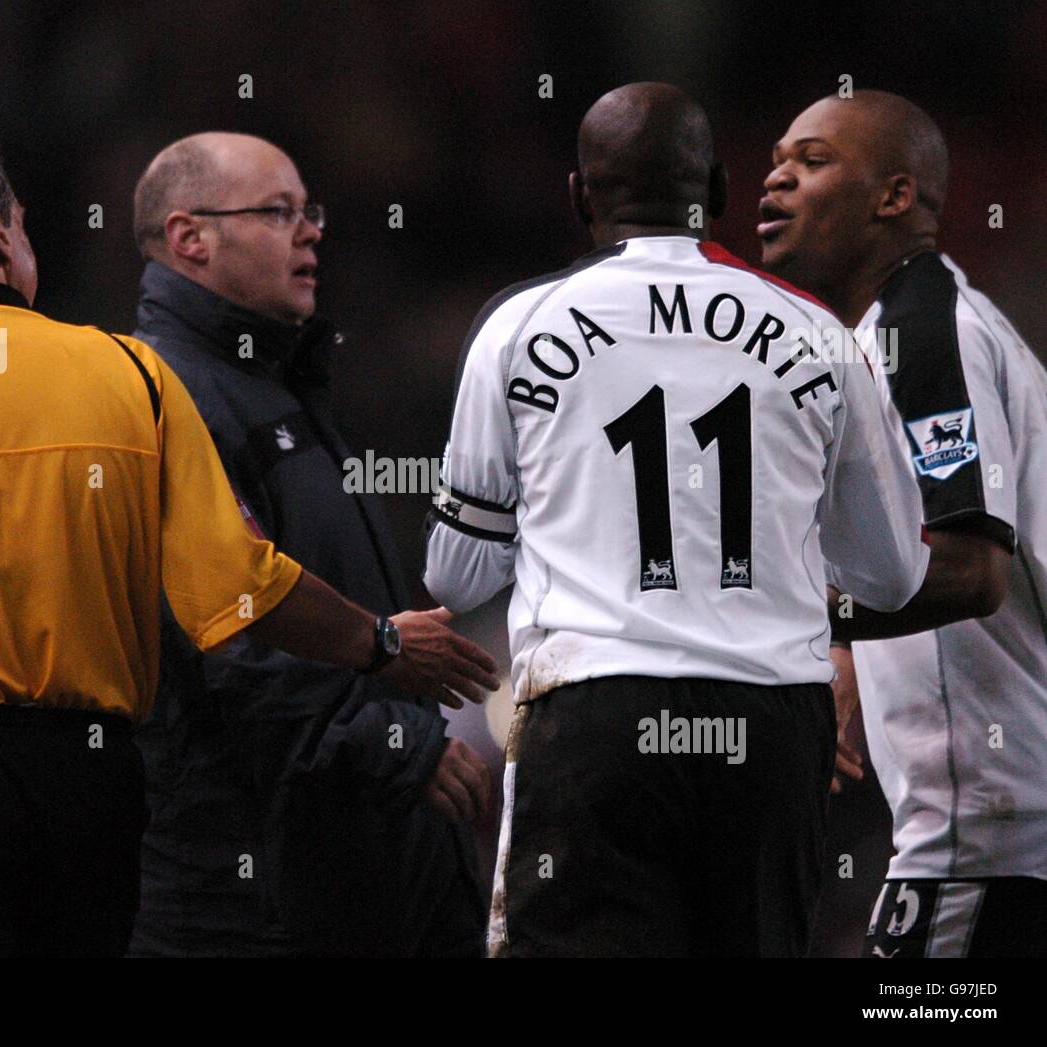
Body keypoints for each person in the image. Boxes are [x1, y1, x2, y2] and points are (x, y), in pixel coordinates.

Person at [0, 122, 497, 956]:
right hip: (81, 780)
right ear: (0, 232)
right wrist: (380, 640)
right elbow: (238, 590)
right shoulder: (129, 378)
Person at [423, 83, 930, 957]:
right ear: (721, 190)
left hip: (592, 719)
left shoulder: (515, 327)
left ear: (580, 194)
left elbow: (456, 576)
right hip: (770, 727)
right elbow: (892, 575)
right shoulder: (822, 334)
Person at [126, 133, 491, 957]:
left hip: (344, 849)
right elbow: (220, 631)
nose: (310, 231)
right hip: (252, 873)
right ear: (191, 238)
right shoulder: (161, 395)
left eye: (310, 211)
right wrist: (392, 746)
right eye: (278, 211)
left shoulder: (276, 382)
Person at [762, 90, 1047, 957]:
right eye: (777, 158)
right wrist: (850, 646)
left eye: (812, 161)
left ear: (893, 198)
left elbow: (970, 571)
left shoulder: (927, 332)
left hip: (986, 833)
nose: (776, 177)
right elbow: (919, 552)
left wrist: (789, 623)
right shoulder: (897, 333)